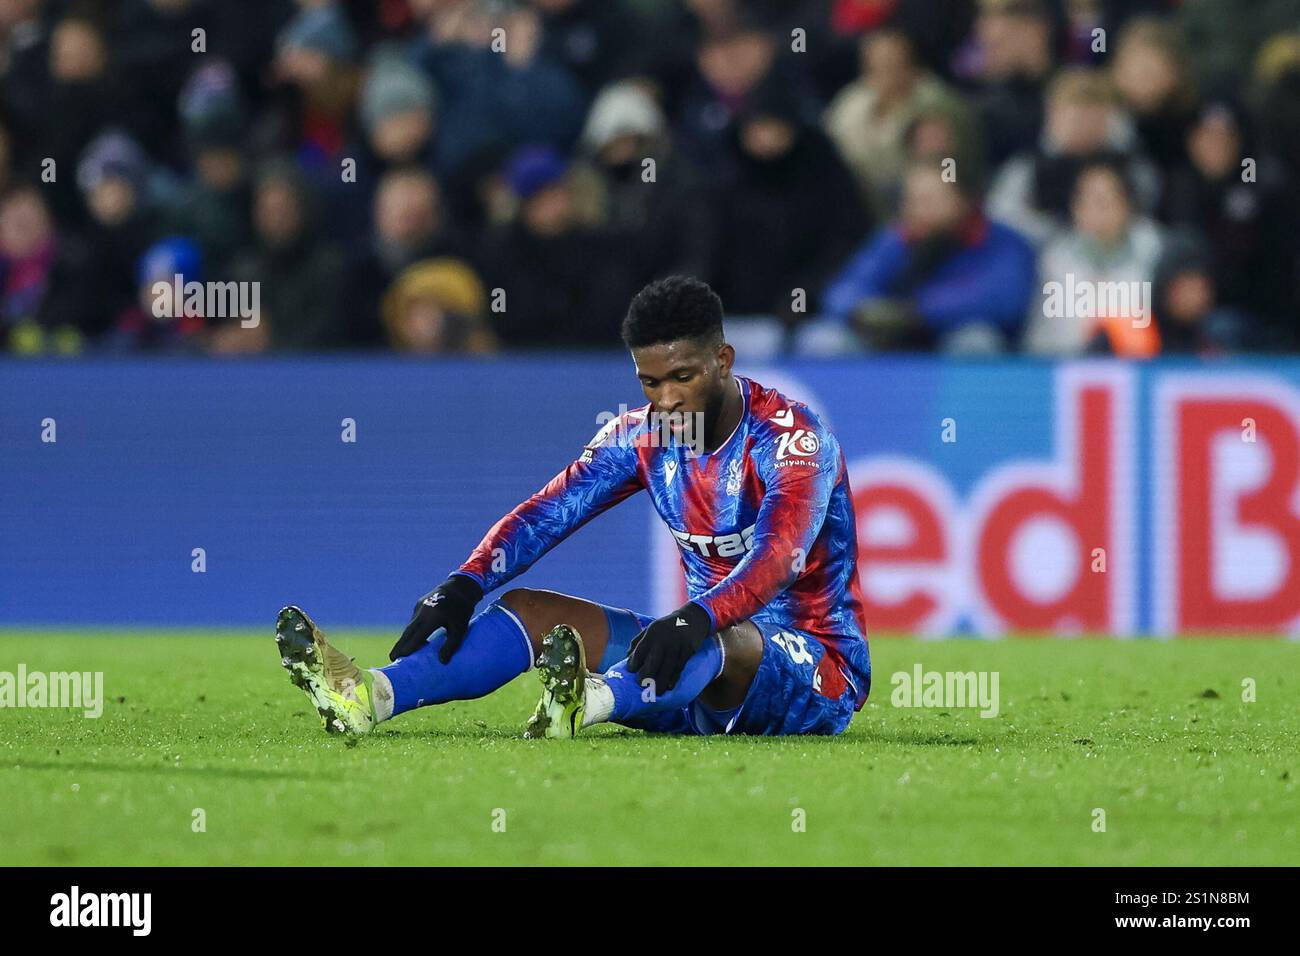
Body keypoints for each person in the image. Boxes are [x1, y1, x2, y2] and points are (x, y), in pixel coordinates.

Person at [275, 275, 871, 739]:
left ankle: (590, 701)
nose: (666, 401)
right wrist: (464, 583)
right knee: (528, 609)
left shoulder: (792, 440)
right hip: (681, 672)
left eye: (682, 377)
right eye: (649, 382)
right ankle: (369, 696)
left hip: (816, 674)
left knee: (723, 636)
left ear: (724, 360)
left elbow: (779, 559)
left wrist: (696, 619)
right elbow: (547, 513)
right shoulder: (642, 437)